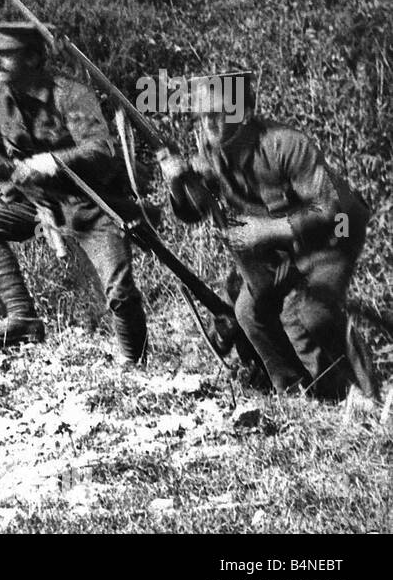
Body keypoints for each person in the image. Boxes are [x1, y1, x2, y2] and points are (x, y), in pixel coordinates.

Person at [160, 71, 383, 414]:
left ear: (243, 114)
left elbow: (328, 208)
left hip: (336, 232)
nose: (208, 124)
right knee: (248, 311)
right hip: (287, 244)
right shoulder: (213, 151)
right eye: (202, 116)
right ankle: (295, 396)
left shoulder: (285, 144)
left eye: (218, 115)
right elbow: (195, 211)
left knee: (312, 310)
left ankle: (369, 395)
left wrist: (266, 231)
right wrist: (176, 183)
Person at [0, 22, 148, 362]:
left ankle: (132, 362)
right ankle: (23, 319)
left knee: (119, 290)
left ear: (33, 59)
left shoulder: (69, 93)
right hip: (35, 203)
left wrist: (52, 162)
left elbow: (100, 150)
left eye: (5, 56)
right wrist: (14, 174)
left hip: (90, 203)